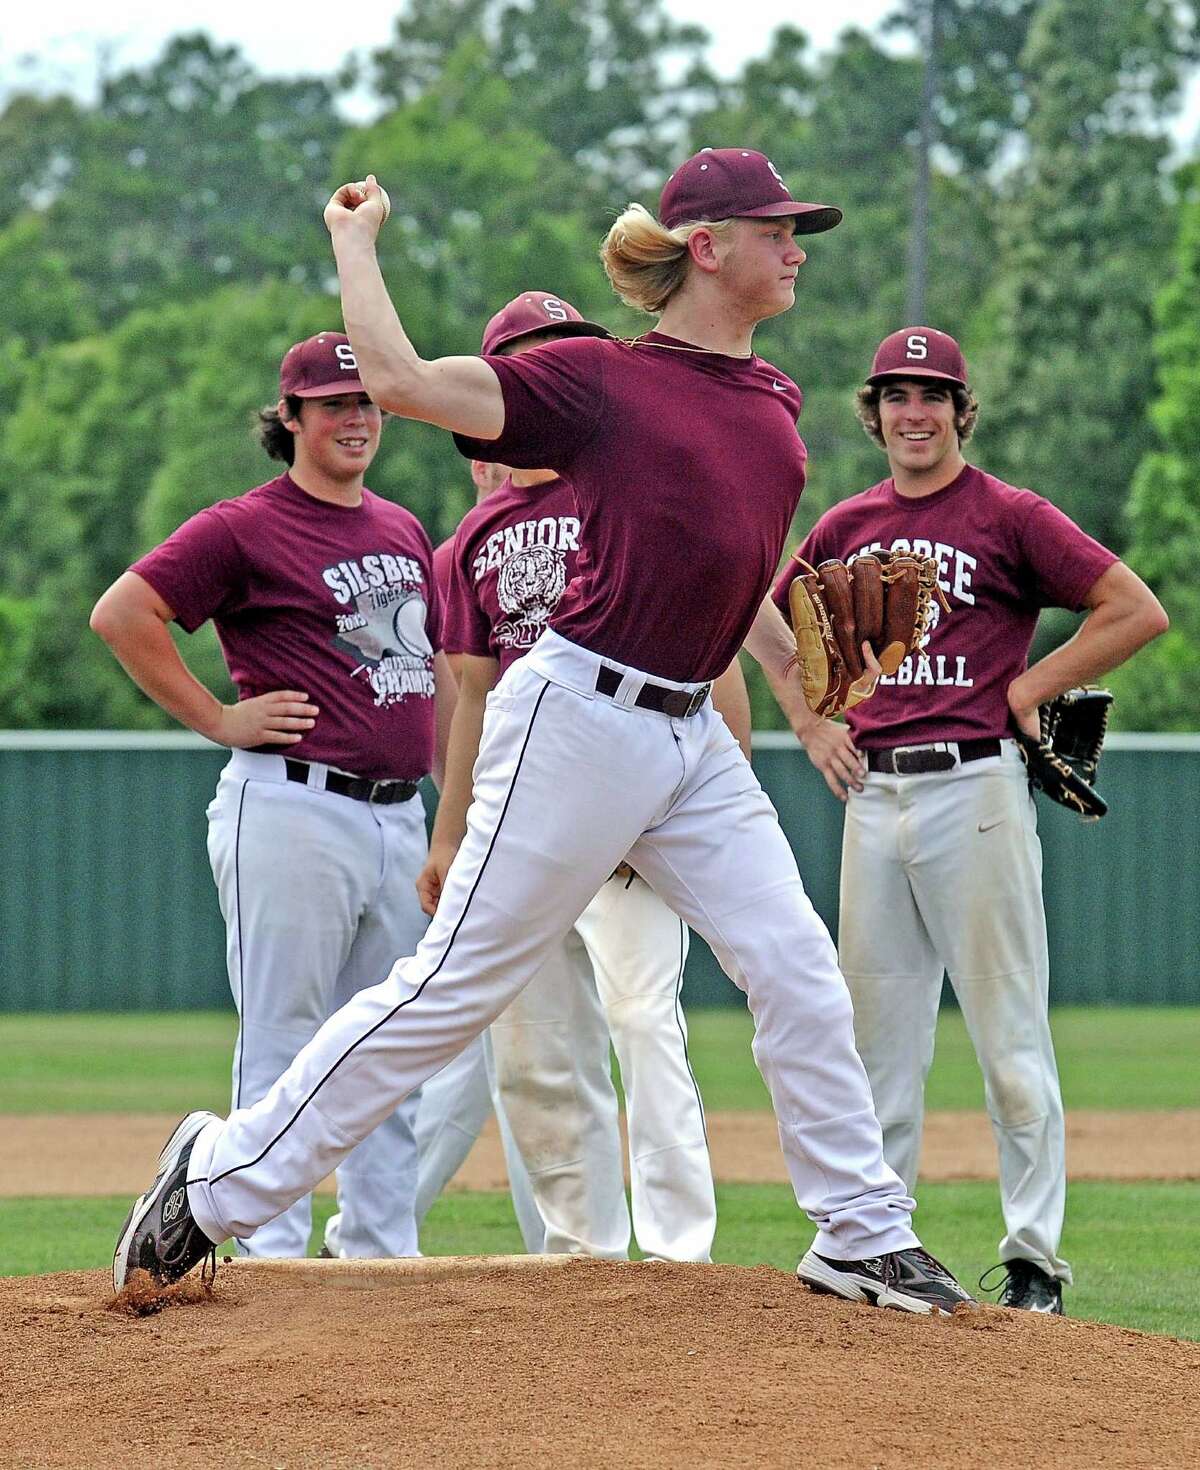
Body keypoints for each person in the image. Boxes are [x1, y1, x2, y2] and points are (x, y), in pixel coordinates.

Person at [115, 149, 976, 1316]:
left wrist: (799, 677)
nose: (798, 247)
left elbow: (745, 573)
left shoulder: (772, 401)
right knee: (453, 987)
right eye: (777, 228)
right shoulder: (597, 380)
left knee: (795, 966)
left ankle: (860, 1233)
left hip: (689, 737)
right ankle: (213, 1184)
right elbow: (408, 381)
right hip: (580, 714)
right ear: (707, 245)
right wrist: (354, 245)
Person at [770, 326, 1168, 1314]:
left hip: (974, 788)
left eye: (933, 395)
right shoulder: (845, 527)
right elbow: (768, 623)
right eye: (897, 395)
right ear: (874, 412)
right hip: (875, 795)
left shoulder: (1007, 514)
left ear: (960, 411)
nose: (915, 412)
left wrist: (1031, 684)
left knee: (1010, 1039)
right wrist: (812, 725)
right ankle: (870, 1245)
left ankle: (1034, 1260)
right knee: (877, 1044)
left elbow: (1133, 607)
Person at [93, 332, 455, 1260]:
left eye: (367, 401)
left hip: (400, 814)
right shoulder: (243, 525)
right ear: (288, 417)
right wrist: (218, 716)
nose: (357, 419)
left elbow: (440, 678)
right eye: (334, 403)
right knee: (285, 1036)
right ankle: (266, 1251)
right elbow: (124, 613)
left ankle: (380, 1247)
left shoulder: (402, 526)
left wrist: (456, 810)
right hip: (294, 805)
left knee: (389, 1047)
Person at [425, 288, 751, 1262]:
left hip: (637, 807)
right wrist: (450, 836)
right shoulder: (471, 543)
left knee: (646, 1020)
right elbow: (471, 704)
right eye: (528, 357)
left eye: (563, 351)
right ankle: (583, 1256)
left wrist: (692, 803)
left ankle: (680, 1253)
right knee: (535, 1052)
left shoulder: (639, 487)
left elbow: (712, 660)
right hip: (522, 812)